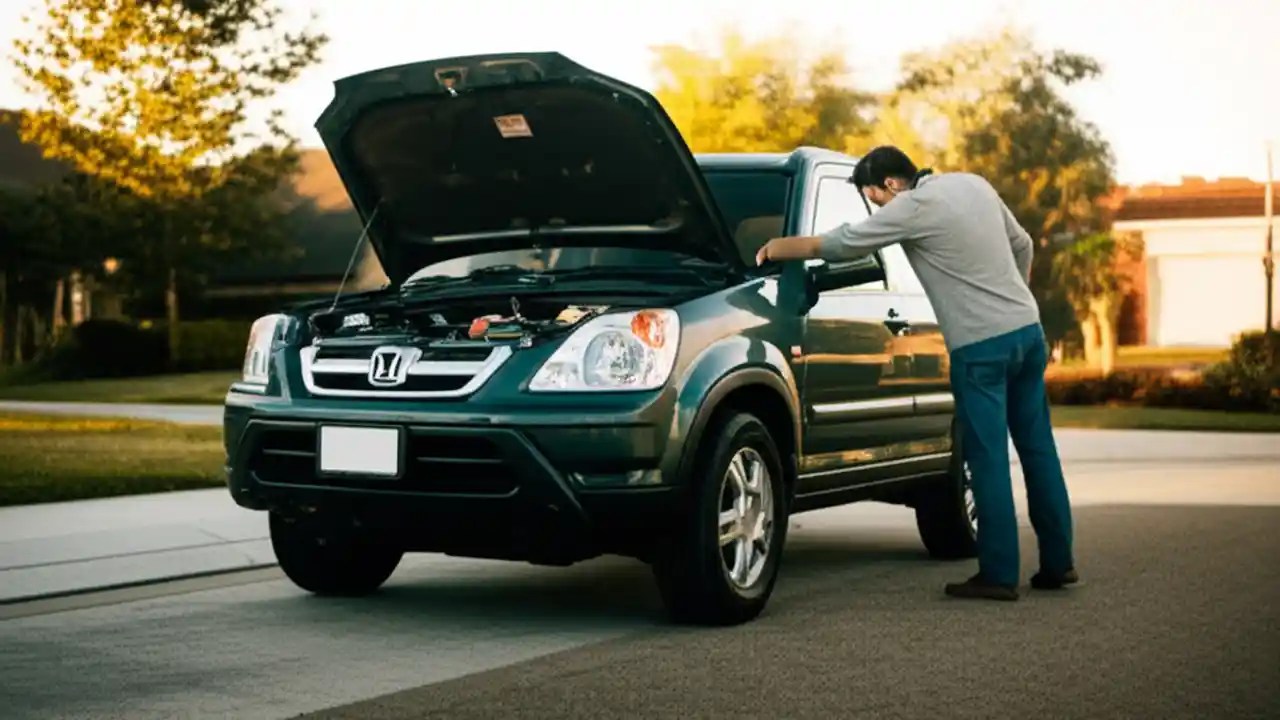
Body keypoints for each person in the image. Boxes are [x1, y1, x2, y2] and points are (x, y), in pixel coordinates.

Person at [755, 146, 1078, 601]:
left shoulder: (912, 206)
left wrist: (777, 247)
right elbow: (1022, 244)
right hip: (1027, 331)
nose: (878, 209)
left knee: (986, 460)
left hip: (980, 346)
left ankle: (999, 574)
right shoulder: (973, 183)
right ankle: (1059, 563)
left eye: (874, 198)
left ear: (889, 184)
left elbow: (845, 243)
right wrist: (1010, 298)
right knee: (1038, 449)